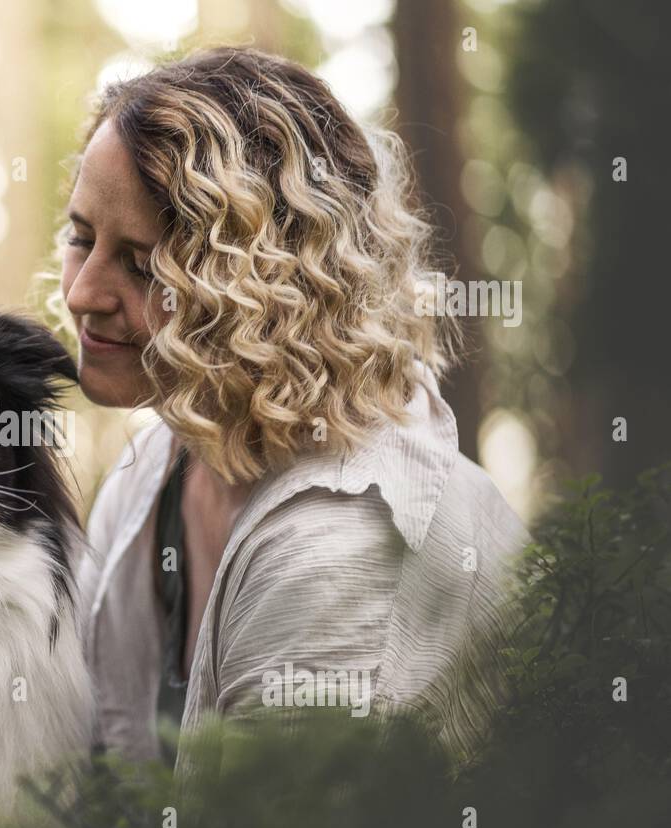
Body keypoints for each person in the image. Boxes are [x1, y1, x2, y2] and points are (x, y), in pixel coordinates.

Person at [57, 46, 528, 777]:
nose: (83, 293)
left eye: (143, 264)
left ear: (263, 286)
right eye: (81, 238)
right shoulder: (154, 471)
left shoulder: (340, 547)